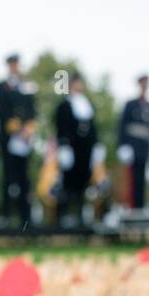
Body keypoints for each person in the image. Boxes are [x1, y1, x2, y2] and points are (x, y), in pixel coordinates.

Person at [0, 53, 37, 226]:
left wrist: (28, 129)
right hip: (8, 139)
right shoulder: (1, 87)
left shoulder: (27, 86)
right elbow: (1, 111)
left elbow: (32, 110)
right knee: (7, 179)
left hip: (24, 141)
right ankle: (5, 216)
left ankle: (25, 218)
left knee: (24, 180)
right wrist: (16, 128)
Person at [54, 74, 97, 224]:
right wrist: (63, 146)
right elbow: (61, 127)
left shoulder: (88, 104)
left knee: (83, 185)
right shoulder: (64, 104)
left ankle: (81, 218)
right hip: (70, 149)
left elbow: (92, 129)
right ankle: (62, 219)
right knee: (67, 186)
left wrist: (96, 146)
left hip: (85, 151)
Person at [118, 74, 149, 209]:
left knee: (143, 180)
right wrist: (123, 145)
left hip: (144, 148)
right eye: (143, 83)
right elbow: (122, 125)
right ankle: (131, 208)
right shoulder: (131, 104)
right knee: (132, 179)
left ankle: (141, 207)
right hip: (132, 147)